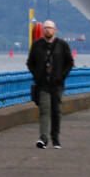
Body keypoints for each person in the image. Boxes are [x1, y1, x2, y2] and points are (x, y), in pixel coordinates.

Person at [26, 20, 73, 149]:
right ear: (43, 30)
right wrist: (37, 76)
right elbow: (30, 62)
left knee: (56, 111)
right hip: (43, 85)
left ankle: (55, 138)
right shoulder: (37, 45)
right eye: (46, 28)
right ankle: (43, 138)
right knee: (44, 110)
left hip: (57, 85)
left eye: (50, 28)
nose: (48, 30)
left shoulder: (62, 45)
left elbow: (69, 62)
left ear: (55, 30)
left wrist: (61, 76)